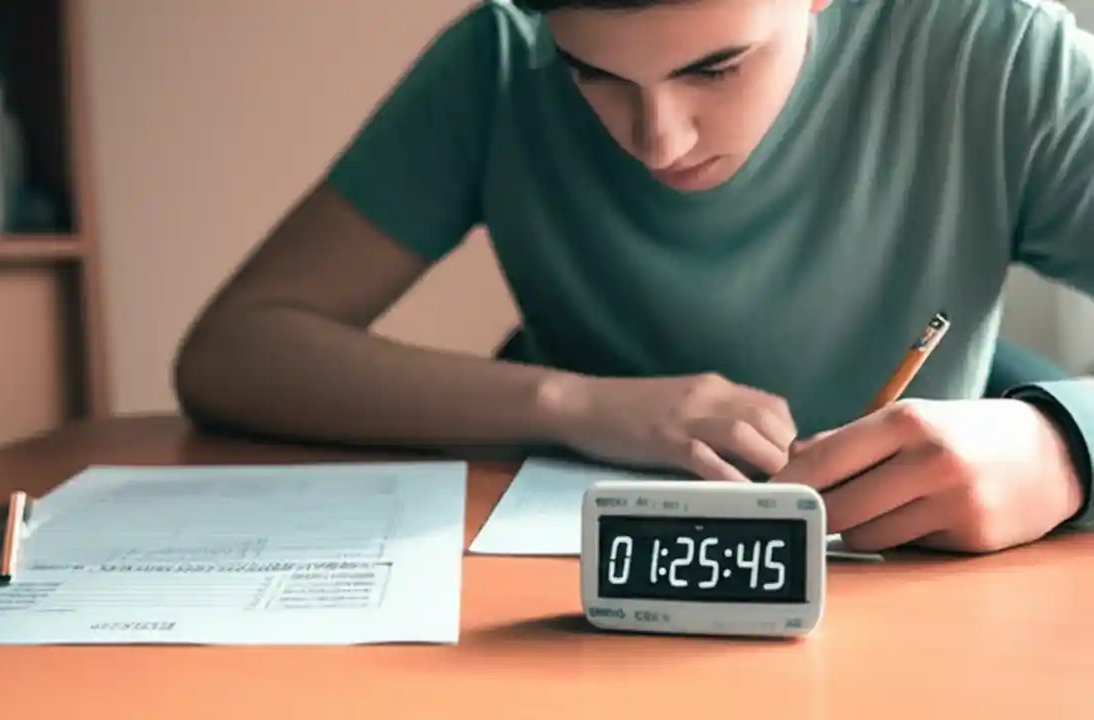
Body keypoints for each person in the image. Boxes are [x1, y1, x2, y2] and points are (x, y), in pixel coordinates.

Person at [173, 0, 1094, 554]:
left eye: (716, 67)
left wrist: (1064, 445)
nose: (658, 141)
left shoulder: (1000, 54)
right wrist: (577, 404)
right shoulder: (500, 59)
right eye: (593, 75)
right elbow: (236, 350)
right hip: (568, 599)